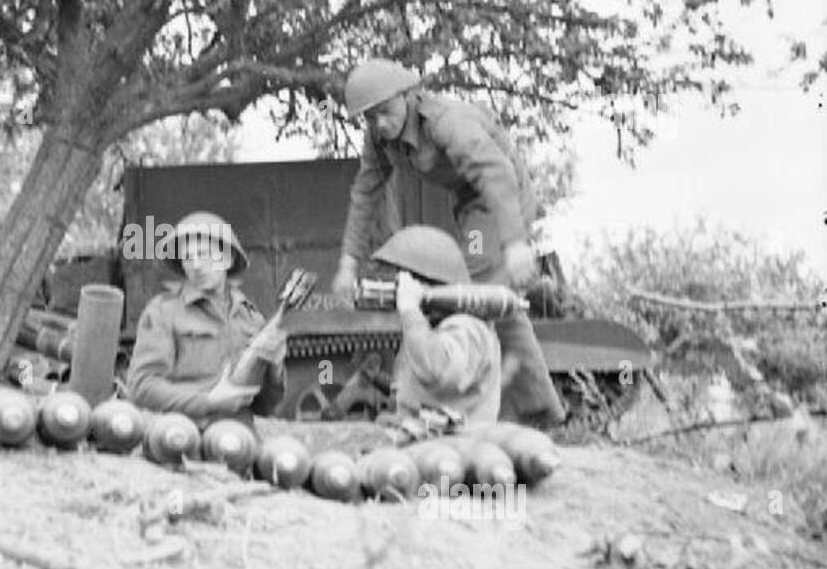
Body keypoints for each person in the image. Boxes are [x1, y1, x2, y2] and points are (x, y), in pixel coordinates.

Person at [334, 58, 565, 427]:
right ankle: (525, 407)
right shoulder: (380, 137)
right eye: (369, 117)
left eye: (385, 112)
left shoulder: (447, 122)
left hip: (499, 198)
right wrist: (348, 263)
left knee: (477, 290)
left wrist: (515, 243)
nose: (379, 123)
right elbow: (365, 194)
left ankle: (532, 412)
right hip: (469, 206)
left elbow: (496, 174)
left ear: (407, 97)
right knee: (475, 290)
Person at [126, 211, 287, 425]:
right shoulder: (162, 312)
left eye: (203, 254)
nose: (196, 266)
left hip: (239, 439)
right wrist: (208, 402)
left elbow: (265, 407)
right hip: (179, 435)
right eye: (187, 258)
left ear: (227, 259)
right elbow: (141, 387)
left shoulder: (251, 319)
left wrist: (275, 368)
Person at [371, 225, 501, 427]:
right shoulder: (427, 328)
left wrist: (410, 310)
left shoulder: (468, 328)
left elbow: (437, 369)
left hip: (457, 450)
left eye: (401, 281)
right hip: (427, 442)